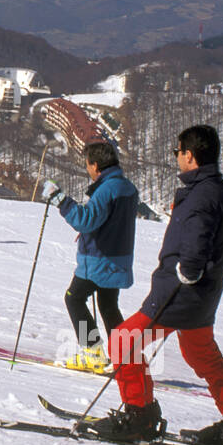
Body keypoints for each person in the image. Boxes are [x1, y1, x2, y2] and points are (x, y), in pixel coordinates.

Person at [82, 124, 223, 445]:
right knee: (202, 355)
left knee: (123, 341)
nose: (176, 158)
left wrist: (188, 272)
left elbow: (197, 240)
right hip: (203, 295)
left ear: (189, 155)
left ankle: (140, 417)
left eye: (177, 152)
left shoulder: (201, 195)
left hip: (179, 292)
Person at [41, 141, 138, 373]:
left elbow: (85, 220)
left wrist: (60, 200)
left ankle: (93, 353)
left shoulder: (107, 189)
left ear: (96, 165)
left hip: (99, 259)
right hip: (118, 258)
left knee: (74, 299)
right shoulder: (127, 187)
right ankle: (126, 357)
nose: (87, 169)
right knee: (108, 305)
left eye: (88, 165)